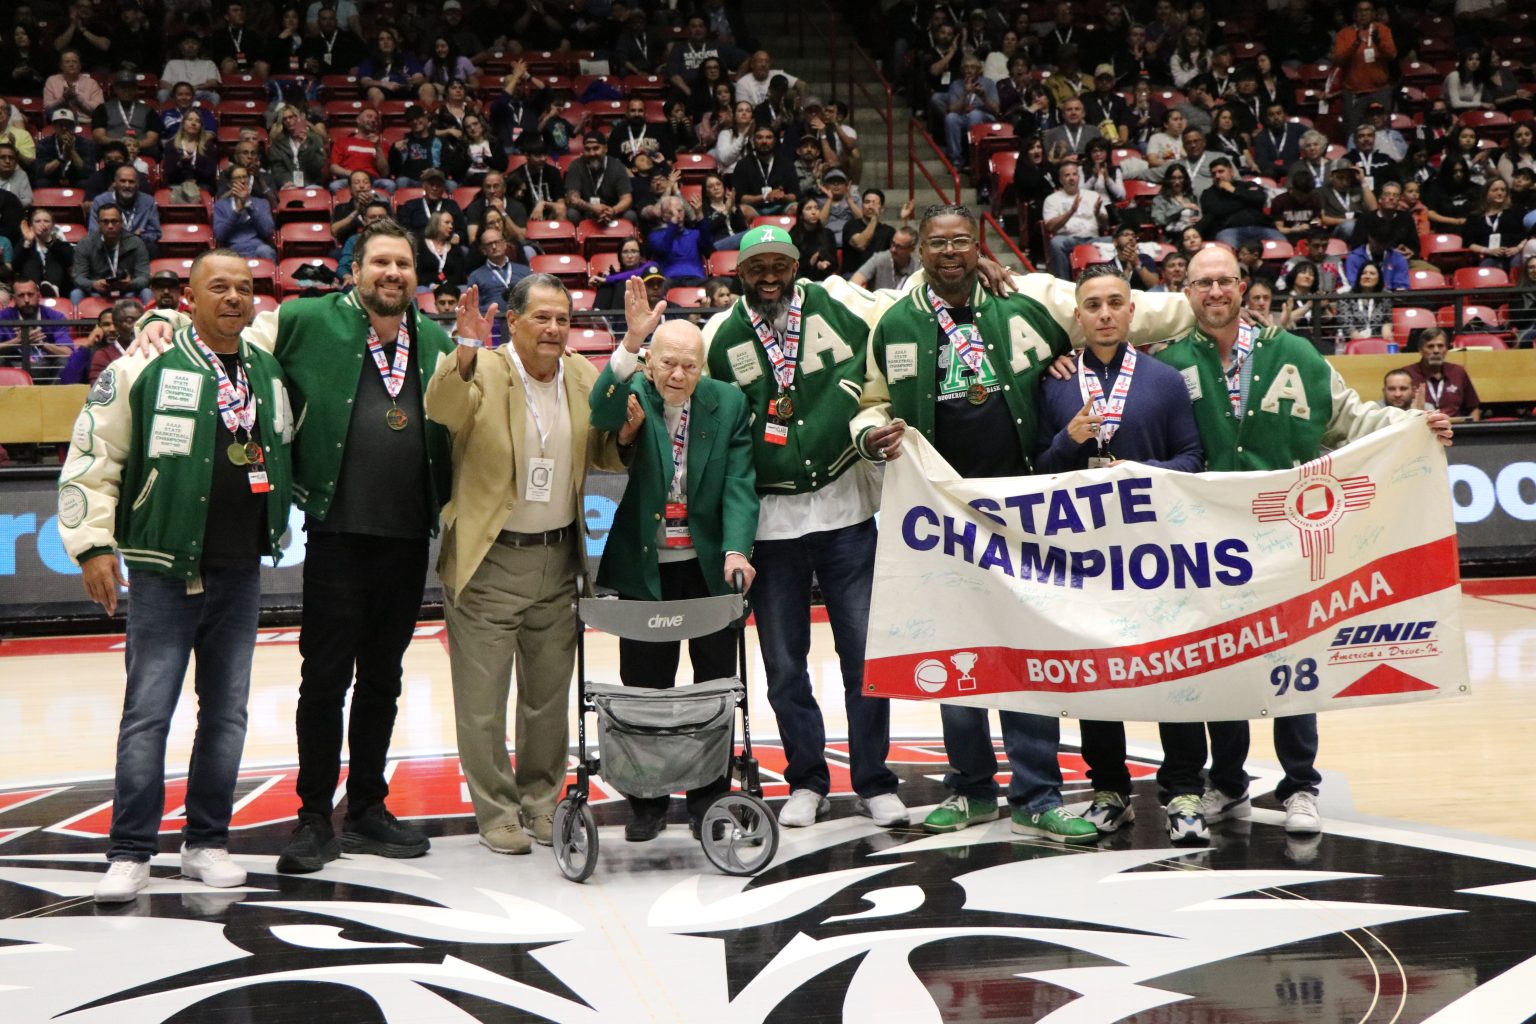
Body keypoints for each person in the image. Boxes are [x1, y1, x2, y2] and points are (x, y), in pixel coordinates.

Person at [133, 218, 455, 873]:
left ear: (416, 277)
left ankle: (367, 808)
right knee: (325, 680)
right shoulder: (305, 318)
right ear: (355, 271)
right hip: (335, 534)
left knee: (384, 681)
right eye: (380, 262)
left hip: (406, 536)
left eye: (403, 264)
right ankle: (313, 817)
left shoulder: (434, 339)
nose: (392, 273)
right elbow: (225, 341)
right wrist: (161, 322)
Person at [1154, 246, 1454, 838]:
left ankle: (1299, 785)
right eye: (1202, 283)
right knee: (1220, 663)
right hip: (1205, 546)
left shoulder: (1294, 353)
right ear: (1185, 292)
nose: (1215, 293)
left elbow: (1352, 419)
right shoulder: (1167, 363)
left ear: (1242, 285)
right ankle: (1229, 783)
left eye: (1224, 281)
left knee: (1294, 661)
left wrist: (1416, 425)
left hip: (1286, 540)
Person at [56, 249, 294, 902]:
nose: (233, 297)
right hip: (162, 570)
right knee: (148, 714)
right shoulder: (144, 363)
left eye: (244, 287)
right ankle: (130, 851)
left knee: (227, 715)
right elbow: (93, 453)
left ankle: (206, 842)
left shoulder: (265, 367)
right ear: (189, 297)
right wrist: (92, 544)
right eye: (218, 287)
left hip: (239, 569)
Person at [423, 276, 624, 854]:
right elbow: (441, 408)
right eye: (541, 317)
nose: (554, 329)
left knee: (547, 699)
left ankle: (540, 801)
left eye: (562, 319)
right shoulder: (482, 369)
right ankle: (495, 810)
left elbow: (606, 451)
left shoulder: (580, 374)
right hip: (490, 561)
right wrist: (464, 347)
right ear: (512, 322)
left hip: (558, 560)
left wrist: (628, 425)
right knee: (482, 702)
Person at [1034, 264, 1206, 839]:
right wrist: (1068, 441)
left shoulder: (1165, 380)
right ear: (1077, 316)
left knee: (1174, 668)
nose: (1105, 314)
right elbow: (1036, 469)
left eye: (1115, 303)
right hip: (1085, 556)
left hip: (1157, 554)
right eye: (1093, 305)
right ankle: (1109, 789)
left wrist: (1138, 471)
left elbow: (1192, 459)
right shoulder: (1054, 382)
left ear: (1132, 311)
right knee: (1095, 673)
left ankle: (1184, 792)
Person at [589, 277, 759, 841]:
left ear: (703, 368)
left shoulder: (727, 403)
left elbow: (739, 483)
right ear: (650, 361)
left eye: (689, 366)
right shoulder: (631, 391)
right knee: (645, 689)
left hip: (708, 568)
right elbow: (598, 410)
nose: (678, 376)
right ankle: (647, 801)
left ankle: (710, 795)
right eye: (667, 363)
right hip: (646, 569)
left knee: (714, 685)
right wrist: (627, 345)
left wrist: (736, 549)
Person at [1330, 0, 1396, 135]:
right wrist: (1355, 44)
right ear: (1354, 14)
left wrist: (1378, 43)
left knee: (1383, 132)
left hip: (1380, 91)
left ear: (1373, 13)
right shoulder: (1344, 33)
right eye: (1360, 11)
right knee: (1353, 133)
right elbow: (1339, 60)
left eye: (1367, 10)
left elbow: (1392, 55)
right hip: (1354, 92)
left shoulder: (1382, 30)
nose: (1363, 14)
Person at [1042, 160, 1110, 280]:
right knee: (1056, 243)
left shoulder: (1093, 195)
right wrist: (1071, 212)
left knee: (1114, 240)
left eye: (1074, 174)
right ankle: (1063, 283)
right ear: (1060, 179)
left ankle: (1113, 281)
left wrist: (1098, 214)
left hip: (1093, 239)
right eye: (1067, 175)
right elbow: (1051, 227)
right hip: (1068, 239)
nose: (1071, 178)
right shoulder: (1052, 199)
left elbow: (1105, 225)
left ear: (1079, 177)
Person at [71, 204, 151, 305]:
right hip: (96, 292)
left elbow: (144, 277)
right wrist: (93, 284)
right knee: (76, 293)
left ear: (121, 222)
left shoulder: (136, 243)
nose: (110, 226)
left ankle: (151, 315)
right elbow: (78, 277)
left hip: (128, 291)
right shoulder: (85, 244)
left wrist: (130, 284)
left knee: (147, 292)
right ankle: (76, 316)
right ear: (98, 223)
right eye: (105, 222)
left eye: (114, 221)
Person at [1401, 327, 1481, 421]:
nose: (1436, 350)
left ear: (1446, 349)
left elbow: (1473, 408)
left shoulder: (1458, 372)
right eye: (1430, 346)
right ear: (1420, 350)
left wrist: (1473, 427)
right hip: (1422, 426)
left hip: (1455, 427)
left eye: (1440, 346)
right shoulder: (1407, 374)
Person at [0, 278, 74, 372]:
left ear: (39, 295)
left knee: (64, 361)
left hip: (46, 365)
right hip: (14, 366)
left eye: (30, 294)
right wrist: (17, 341)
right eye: (21, 295)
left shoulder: (55, 317)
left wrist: (42, 344)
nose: (26, 300)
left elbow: (68, 352)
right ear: (14, 298)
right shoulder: (3, 317)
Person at [212, 164, 277, 261]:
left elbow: (267, 231)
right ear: (230, 184)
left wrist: (249, 206)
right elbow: (220, 235)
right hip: (231, 250)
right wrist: (236, 211)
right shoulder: (221, 205)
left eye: (245, 177)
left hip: (258, 248)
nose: (242, 181)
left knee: (266, 251)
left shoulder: (262, 203)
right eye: (238, 178)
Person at [852, 227, 920, 291]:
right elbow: (854, 282)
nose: (893, 249)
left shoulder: (917, 269)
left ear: (911, 249)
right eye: (893, 243)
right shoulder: (879, 258)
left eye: (899, 247)